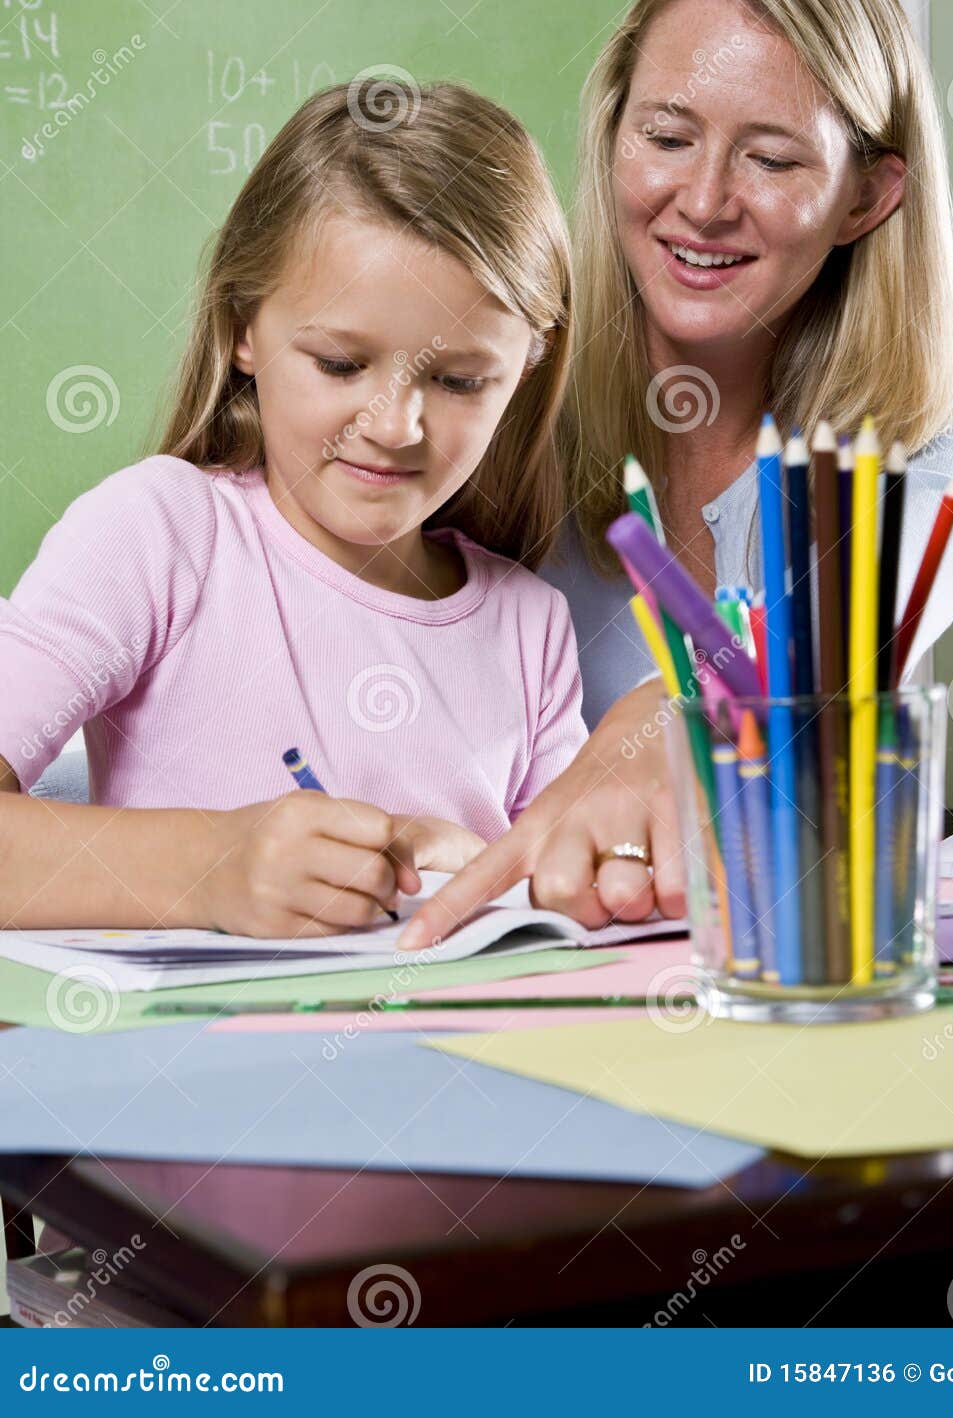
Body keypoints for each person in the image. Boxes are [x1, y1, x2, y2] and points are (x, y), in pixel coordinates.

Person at [399, 0, 953, 951]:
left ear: (866, 195)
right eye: (667, 137)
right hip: (456, 961)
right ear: (612, 132)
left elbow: (809, 669)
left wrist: (653, 722)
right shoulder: (496, 388)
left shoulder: (929, 452)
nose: (704, 201)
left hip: (746, 980)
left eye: (771, 160)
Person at [0, 80, 587, 936]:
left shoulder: (530, 625)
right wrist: (213, 868)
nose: (393, 426)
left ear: (523, 372)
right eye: (341, 366)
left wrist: (488, 877)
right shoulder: (162, 535)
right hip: (185, 1066)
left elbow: (574, 903)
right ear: (243, 327)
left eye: (459, 381)